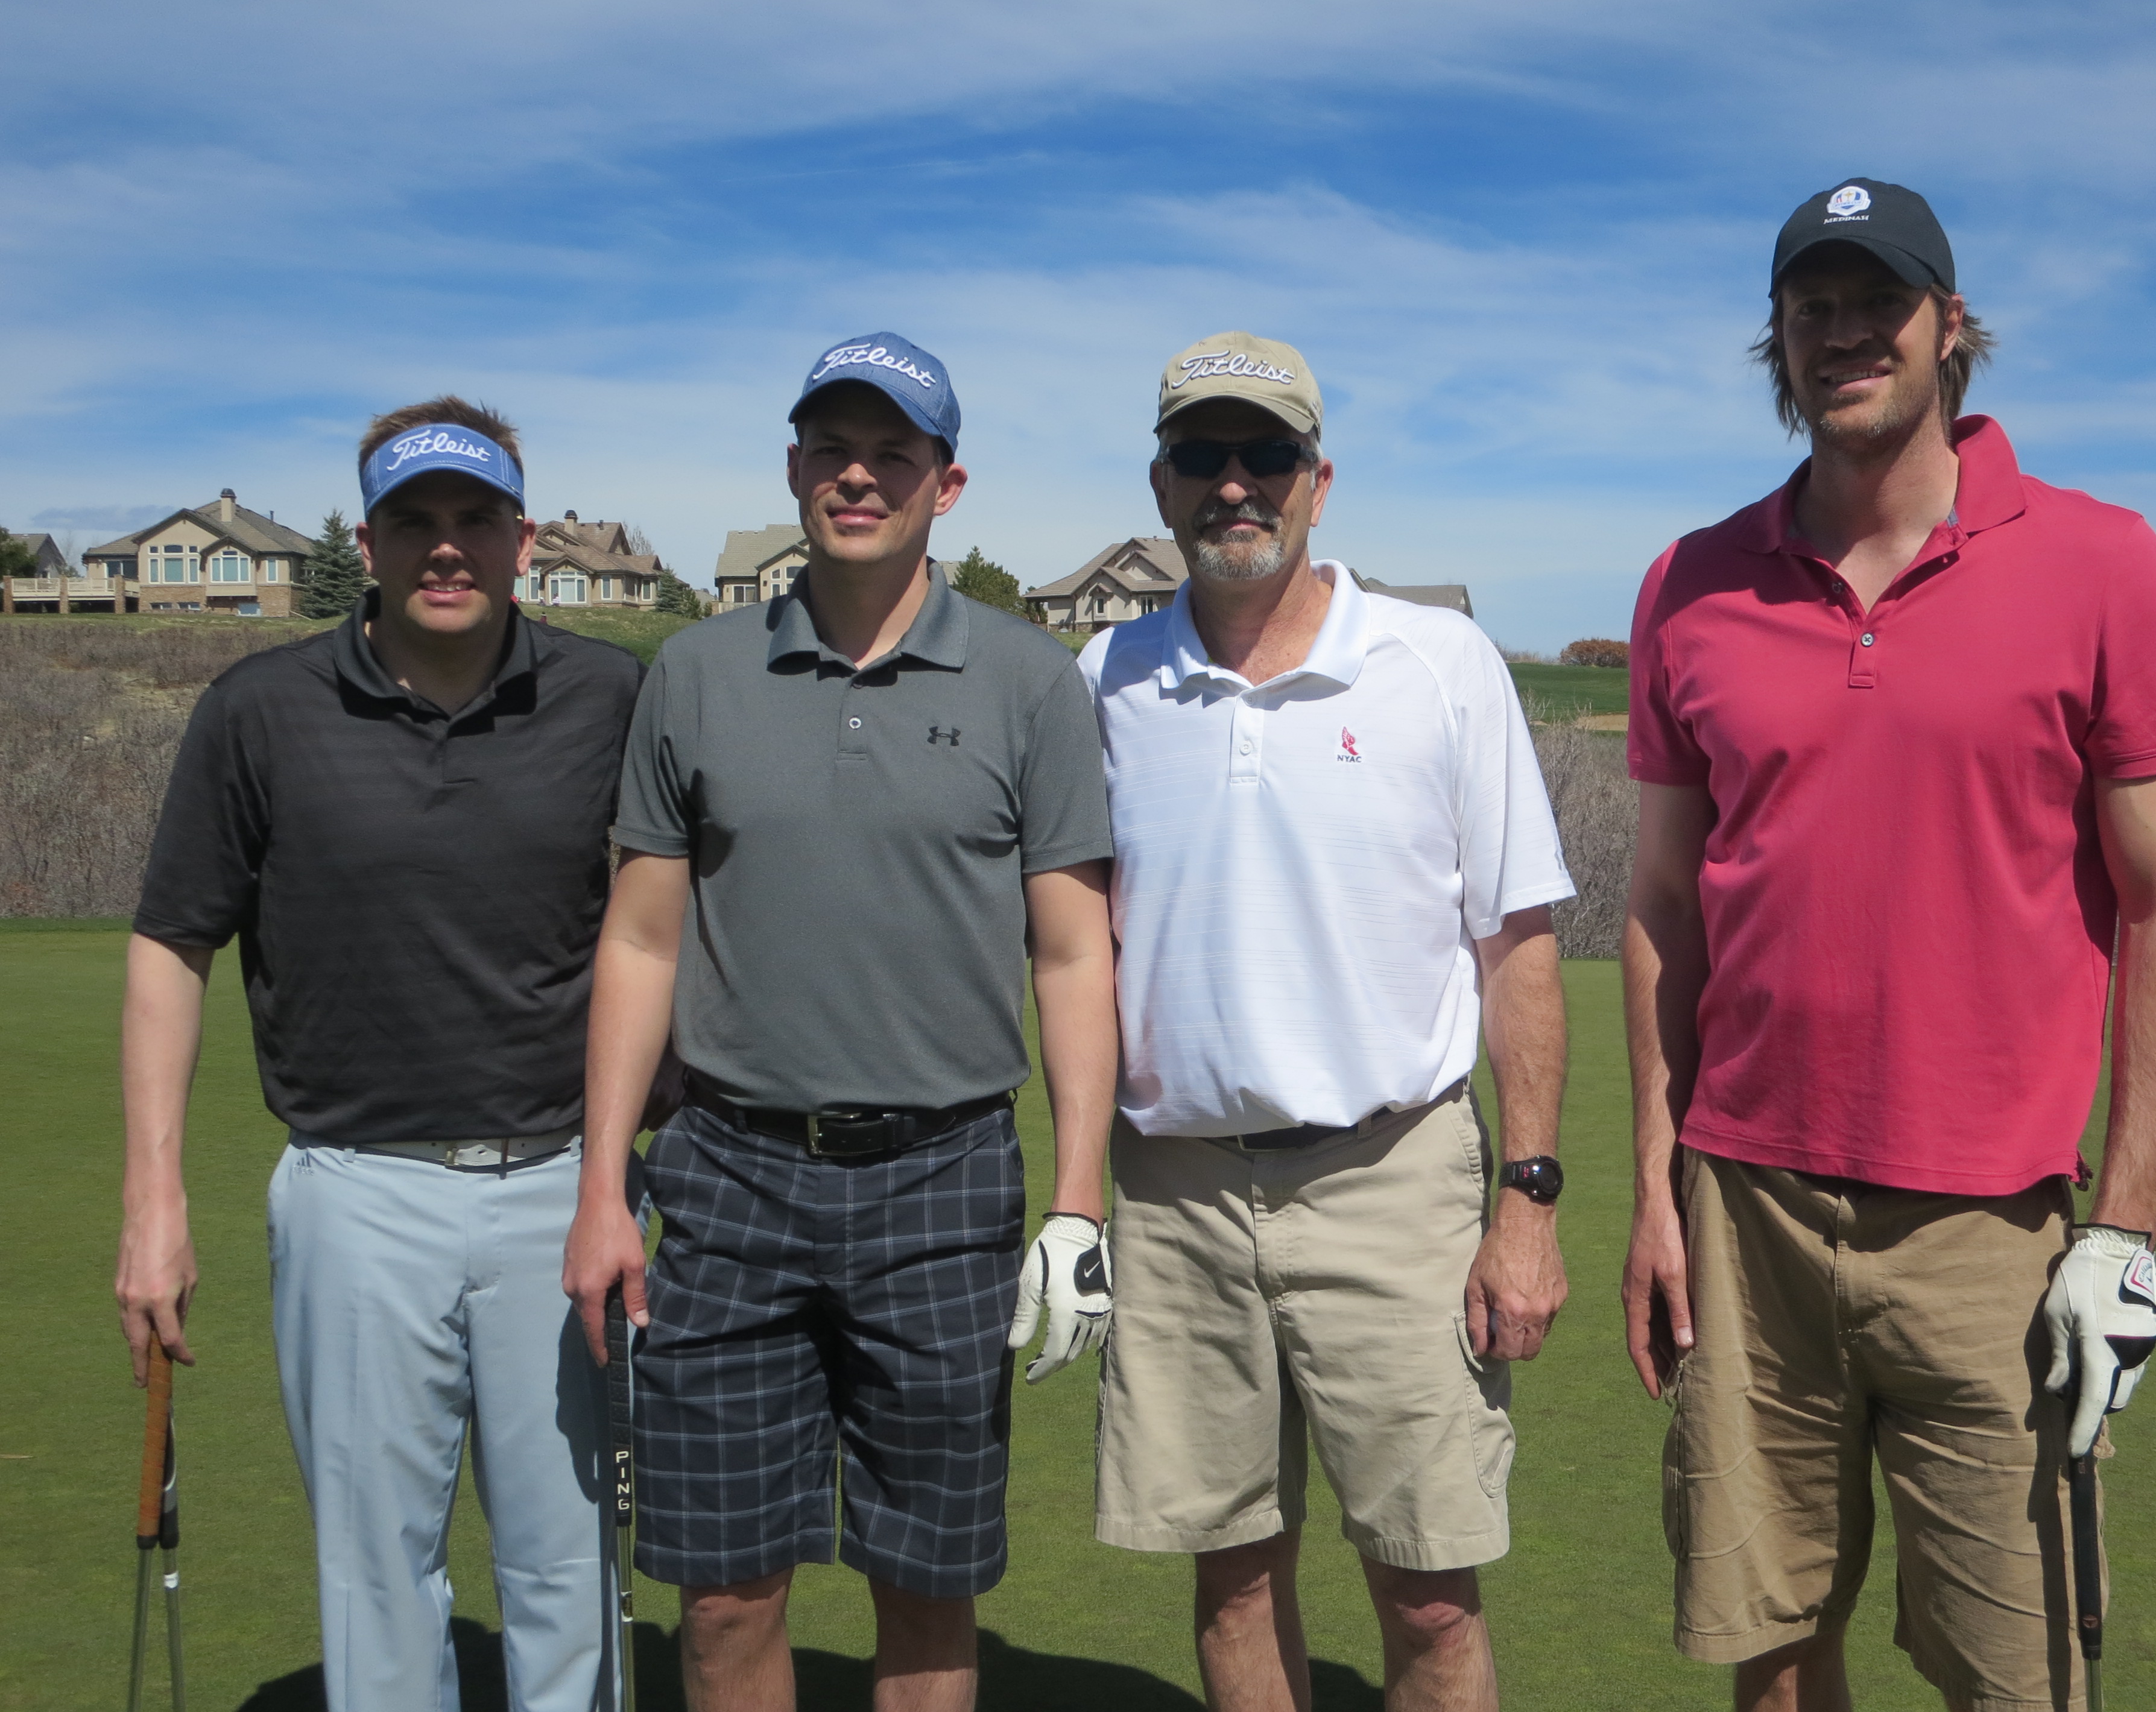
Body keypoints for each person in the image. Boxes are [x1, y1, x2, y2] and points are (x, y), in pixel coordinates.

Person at [1619, 179, 2156, 1711]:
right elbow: (1664, 907)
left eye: (1876, 303)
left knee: (2016, 1678)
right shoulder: (1689, 583)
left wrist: (2125, 1230)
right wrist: (1653, 1189)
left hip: (1994, 1229)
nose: (1843, 334)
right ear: (1775, 338)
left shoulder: (2104, 565)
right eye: (1809, 307)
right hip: (1745, 1207)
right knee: (1768, 1653)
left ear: (1948, 326)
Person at [561, 332, 1121, 1712]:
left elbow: (1070, 956)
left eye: (891, 454)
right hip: (726, 1180)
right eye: (831, 448)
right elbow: (639, 938)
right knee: (722, 1593)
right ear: (793, 467)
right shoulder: (695, 671)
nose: (857, 476)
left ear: (947, 483)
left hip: (944, 1182)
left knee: (926, 1588)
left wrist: (1077, 1202)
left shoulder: (1028, 679)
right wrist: (601, 1188)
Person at [115, 399, 648, 1711]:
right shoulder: (259, 709)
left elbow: (666, 934)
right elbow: (173, 945)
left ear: (524, 539)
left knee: (568, 1571)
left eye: (475, 518)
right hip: (354, 1194)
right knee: (375, 1575)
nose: (445, 546)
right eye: (414, 521)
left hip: (566, 1191)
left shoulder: (611, 697)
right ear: (369, 542)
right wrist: (152, 1199)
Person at [1080, 333, 1575, 1712]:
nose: (1233, 483)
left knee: (1427, 1595)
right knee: (1233, 1582)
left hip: (1392, 1179)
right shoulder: (1102, 679)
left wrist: (1527, 1199)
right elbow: (1070, 950)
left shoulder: (1439, 662)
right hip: (1176, 1194)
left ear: (1319, 478)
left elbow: (1517, 953)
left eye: (1267, 454)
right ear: (1161, 483)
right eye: (1201, 454)